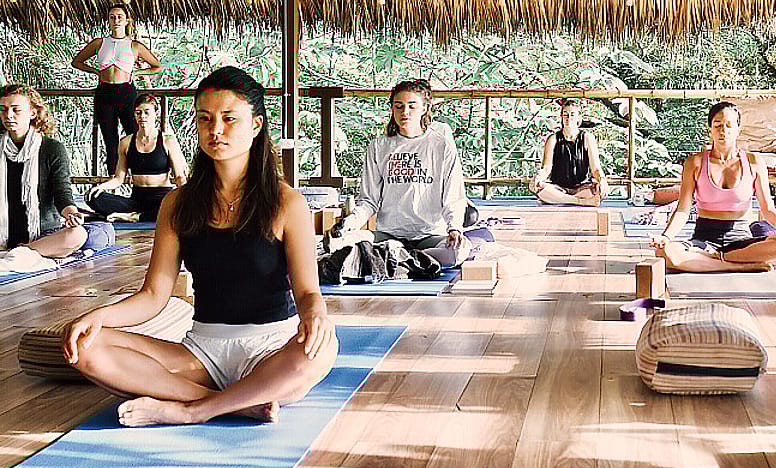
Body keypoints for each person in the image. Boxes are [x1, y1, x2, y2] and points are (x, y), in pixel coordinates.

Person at [62, 67, 337, 427]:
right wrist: (99, 316)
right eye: (205, 119)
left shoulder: (287, 203)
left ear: (256, 125)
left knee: (322, 350)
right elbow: (153, 295)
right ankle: (236, 403)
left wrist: (316, 315)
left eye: (229, 119)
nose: (215, 130)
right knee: (86, 346)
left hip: (271, 349)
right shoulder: (177, 204)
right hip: (202, 351)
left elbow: (307, 292)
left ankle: (191, 409)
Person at [650, 101, 776, 273]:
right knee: (664, 252)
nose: (723, 130)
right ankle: (739, 266)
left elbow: (768, 209)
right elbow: (683, 209)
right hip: (704, 240)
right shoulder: (695, 162)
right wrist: (665, 237)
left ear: (738, 129)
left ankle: (716, 259)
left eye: (729, 125)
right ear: (710, 129)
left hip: (741, 242)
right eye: (717, 125)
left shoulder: (754, 162)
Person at [336, 79, 470, 268]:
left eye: (411, 106)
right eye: (399, 106)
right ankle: (411, 260)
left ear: (425, 108)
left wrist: (454, 228)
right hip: (389, 236)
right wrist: (349, 224)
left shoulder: (441, 145)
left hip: (430, 235)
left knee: (458, 251)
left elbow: (453, 197)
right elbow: (369, 201)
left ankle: (398, 259)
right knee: (340, 243)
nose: (404, 112)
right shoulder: (379, 146)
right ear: (392, 109)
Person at [1, 84, 114, 266]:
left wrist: (71, 214)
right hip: (4, 232)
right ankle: (24, 254)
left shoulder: (52, 149)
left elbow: (62, 192)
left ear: (32, 113)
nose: (9, 115)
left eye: (16, 110)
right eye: (4, 109)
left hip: (43, 233)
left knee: (79, 234)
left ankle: (21, 252)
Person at [71, 5, 163, 175]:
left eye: (120, 16)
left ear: (127, 20)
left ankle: (141, 173)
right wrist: (95, 71)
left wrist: (137, 73)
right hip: (104, 93)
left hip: (126, 92)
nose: (116, 20)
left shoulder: (134, 45)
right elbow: (76, 62)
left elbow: (157, 66)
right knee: (110, 139)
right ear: (108, 20)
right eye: (112, 17)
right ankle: (113, 178)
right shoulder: (99, 43)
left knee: (134, 134)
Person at [86, 93, 188, 222]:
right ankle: (138, 215)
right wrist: (100, 188)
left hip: (161, 199)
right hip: (136, 201)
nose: (142, 117)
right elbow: (118, 179)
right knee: (92, 197)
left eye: (147, 112)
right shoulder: (126, 142)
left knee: (176, 207)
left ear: (156, 113)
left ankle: (135, 216)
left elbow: (179, 177)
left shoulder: (168, 140)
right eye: (138, 113)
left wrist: (185, 196)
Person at [529, 99, 609, 206]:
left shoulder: (587, 138)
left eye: (572, 114)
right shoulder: (553, 139)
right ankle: (579, 201)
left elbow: (595, 168)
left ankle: (558, 199)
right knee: (539, 188)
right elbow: (546, 168)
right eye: (565, 114)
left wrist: (602, 180)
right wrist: (538, 177)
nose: (568, 118)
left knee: (597, 190)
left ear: (578, 117)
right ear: (561, 117)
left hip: (582, 187)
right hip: (558, 187)